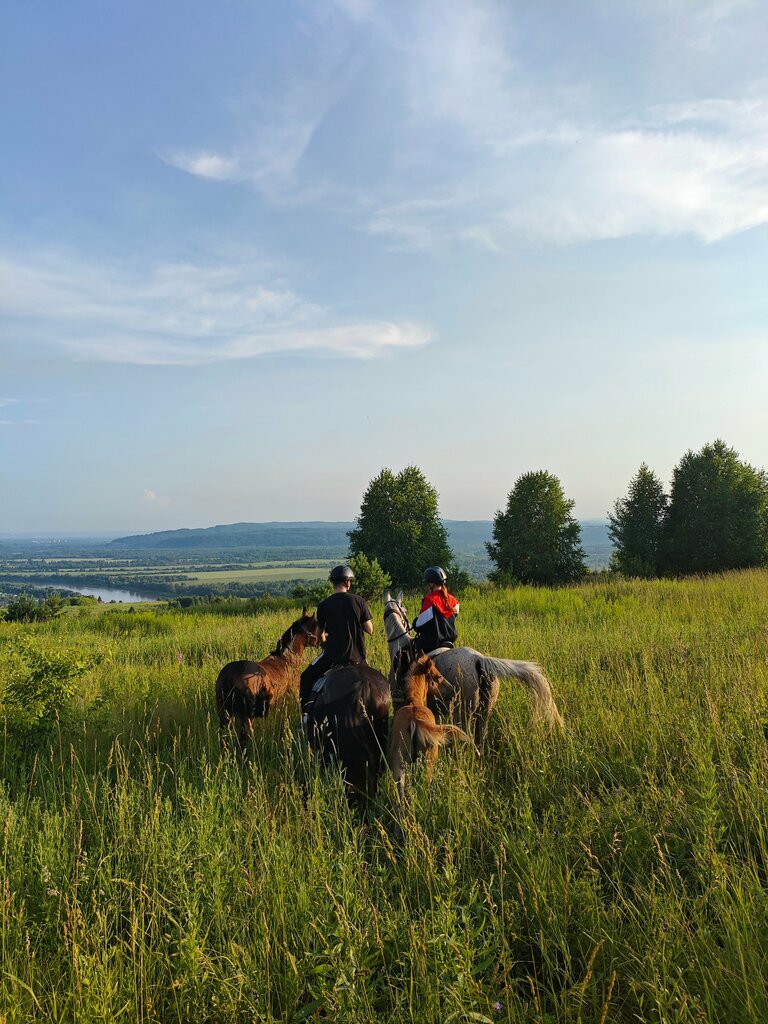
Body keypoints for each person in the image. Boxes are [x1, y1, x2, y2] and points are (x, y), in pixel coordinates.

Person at [299, 564, 374, 712]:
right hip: (358, 658)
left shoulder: (324, 605)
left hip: (332, 658)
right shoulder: (359, 601)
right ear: (348, 583)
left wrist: (324, 641)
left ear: (333, 583)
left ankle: (306, 715)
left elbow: (320, 635)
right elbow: (370, 630)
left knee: (306, 677)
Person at [412, 566, 460, 655]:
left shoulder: (430, 600)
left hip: (432, 645)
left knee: (411, 652)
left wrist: (415, 622)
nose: (427, 586)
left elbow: (419, 625)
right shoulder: (454, 600)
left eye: (427, 584)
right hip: (449, 642)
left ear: (431, 584)